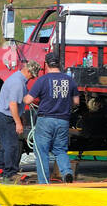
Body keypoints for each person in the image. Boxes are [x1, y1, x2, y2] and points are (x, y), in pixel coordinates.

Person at [24, 51, 80, 184]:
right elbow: (76, 101)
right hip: (63, 120)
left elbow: (28, 100)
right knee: (60, 150)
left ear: (46, 64)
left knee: (41, 150)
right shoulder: (69, 80)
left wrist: (24, 96)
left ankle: (44, 182)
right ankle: (67, 172)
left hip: (46, 119)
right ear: (60, 64)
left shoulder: (42, 80)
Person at [0, 59, 39, 181]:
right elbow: (13, 104)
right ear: (29, 71)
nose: (31, 79)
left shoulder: (18, 78)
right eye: (32, 76)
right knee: (12, 145)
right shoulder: (17, 83)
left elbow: (18, 103)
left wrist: (21, 116)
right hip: (6, 115)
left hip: (2, 113)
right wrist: (18, 123)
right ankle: (10, 172)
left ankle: (0, 169)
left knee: (5, 143)